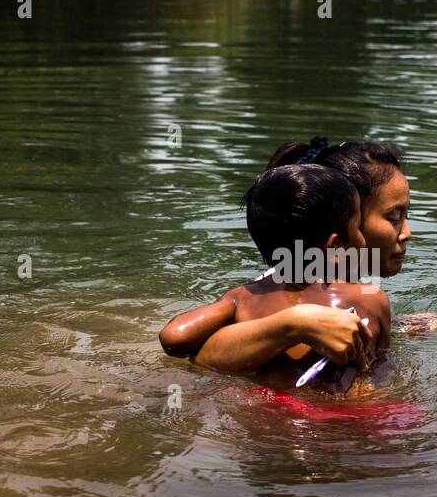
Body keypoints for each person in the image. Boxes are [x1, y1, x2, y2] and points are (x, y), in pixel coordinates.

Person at [159, 137, 420, 374]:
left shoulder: (251, 293)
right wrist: (296, 322)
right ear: (347, 222)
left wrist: (397, 327)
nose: (407, 233)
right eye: (394, 218)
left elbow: (174, 336)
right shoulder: (370, 298)